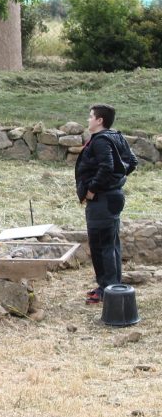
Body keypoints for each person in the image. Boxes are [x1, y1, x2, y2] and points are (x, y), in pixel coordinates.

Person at [75, 103, 135, 304]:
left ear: (100, 120)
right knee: (109, 244)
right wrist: (117, 181)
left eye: (91, 116)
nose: (88, 119)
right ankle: (109, 286)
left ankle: (108, 290)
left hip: (102, 199)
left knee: (101, 245)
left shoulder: (101, 141)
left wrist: (92, 190)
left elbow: (107, 167)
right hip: (112, 197)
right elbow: (131, 162)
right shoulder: (116, 136)